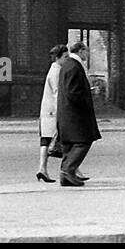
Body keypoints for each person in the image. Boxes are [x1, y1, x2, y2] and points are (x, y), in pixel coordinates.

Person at [56, 41, 101, 186]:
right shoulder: (74, 66)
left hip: (67, 113)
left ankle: (66, 175)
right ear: (81, 51)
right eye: (86, 51)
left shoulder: (67, 65)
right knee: (83, 141)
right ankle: (68, 170)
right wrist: (85, 102)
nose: (87, 54)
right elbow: (72, 92)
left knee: (69, 144)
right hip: (75, 113)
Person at [35, 44, 67, 183]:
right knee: (66, 140)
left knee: (46, 141)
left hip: (47, 112)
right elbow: (57, 93)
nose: (67, 59)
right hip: (53, 112)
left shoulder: (54, 69)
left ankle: (42, 169)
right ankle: (70, 170)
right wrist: (63, 111)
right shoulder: (57, 71)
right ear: (58, 57)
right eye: (65, 57)